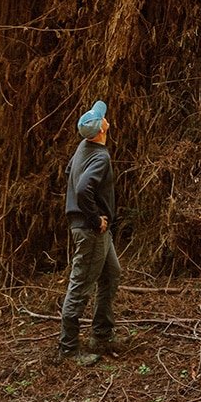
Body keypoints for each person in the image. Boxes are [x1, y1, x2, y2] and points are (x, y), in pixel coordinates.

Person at [57, 99, 121, 366]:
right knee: (81, 284)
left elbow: (70, 171)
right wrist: (95, 219)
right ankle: (68, 349)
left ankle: (102, 334)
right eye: (102, 118)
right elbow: (84, 189)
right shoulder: (100, 155)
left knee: (111, 274)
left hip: (89, 228)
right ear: (102, 129)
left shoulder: (83, 147)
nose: (106, 118)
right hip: (90, 230)